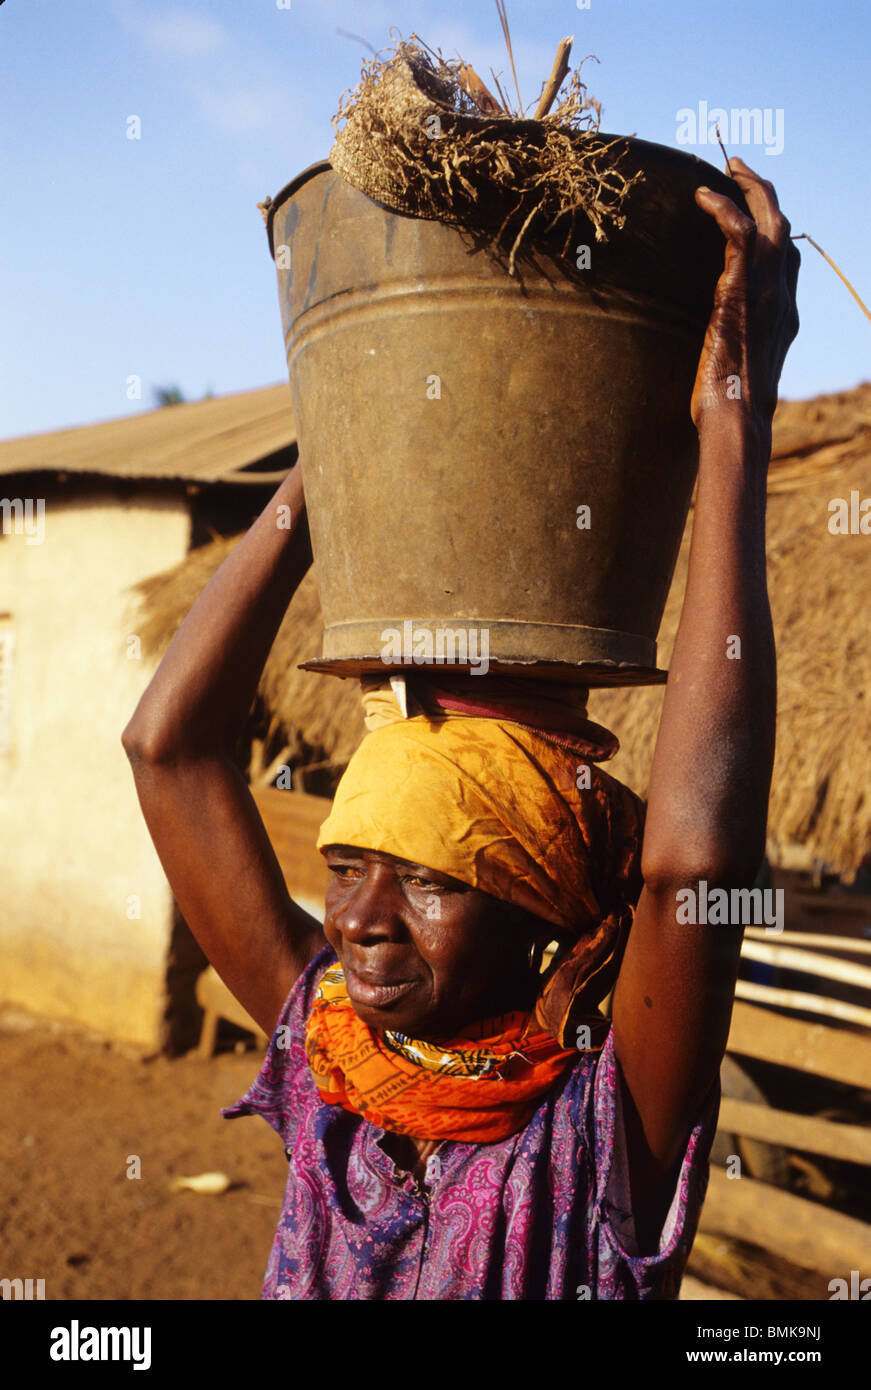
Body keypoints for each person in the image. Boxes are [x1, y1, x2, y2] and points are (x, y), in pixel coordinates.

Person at [122, 158, 799, 1300]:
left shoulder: (599, 1139)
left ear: (538, 904)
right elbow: (166, 752)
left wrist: (732, 425)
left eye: (429, 881)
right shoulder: (332, 1065)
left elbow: (691, 874)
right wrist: (335, 460)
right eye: (346, 868)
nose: (359, 924)